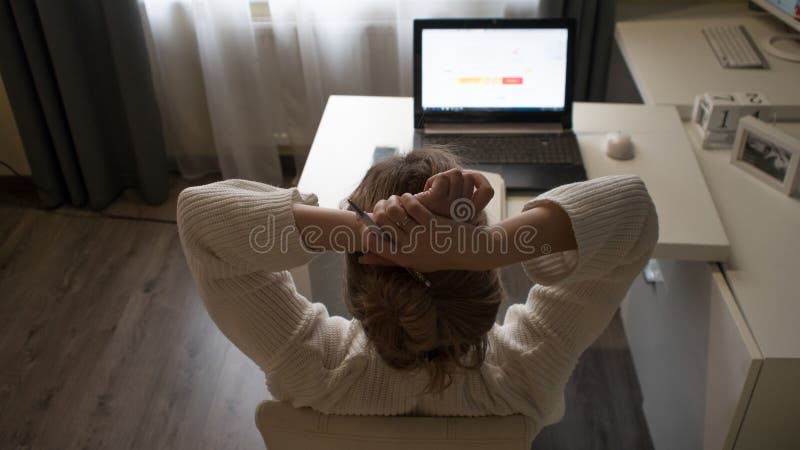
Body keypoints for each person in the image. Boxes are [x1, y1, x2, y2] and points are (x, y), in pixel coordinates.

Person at [176, 147, 658, 437]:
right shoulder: (525, 376)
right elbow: (632, 210)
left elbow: (199, 217)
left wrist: (365, 231)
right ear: (480, 276)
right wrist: (486, 247)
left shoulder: (313, 369)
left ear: (357, 274)